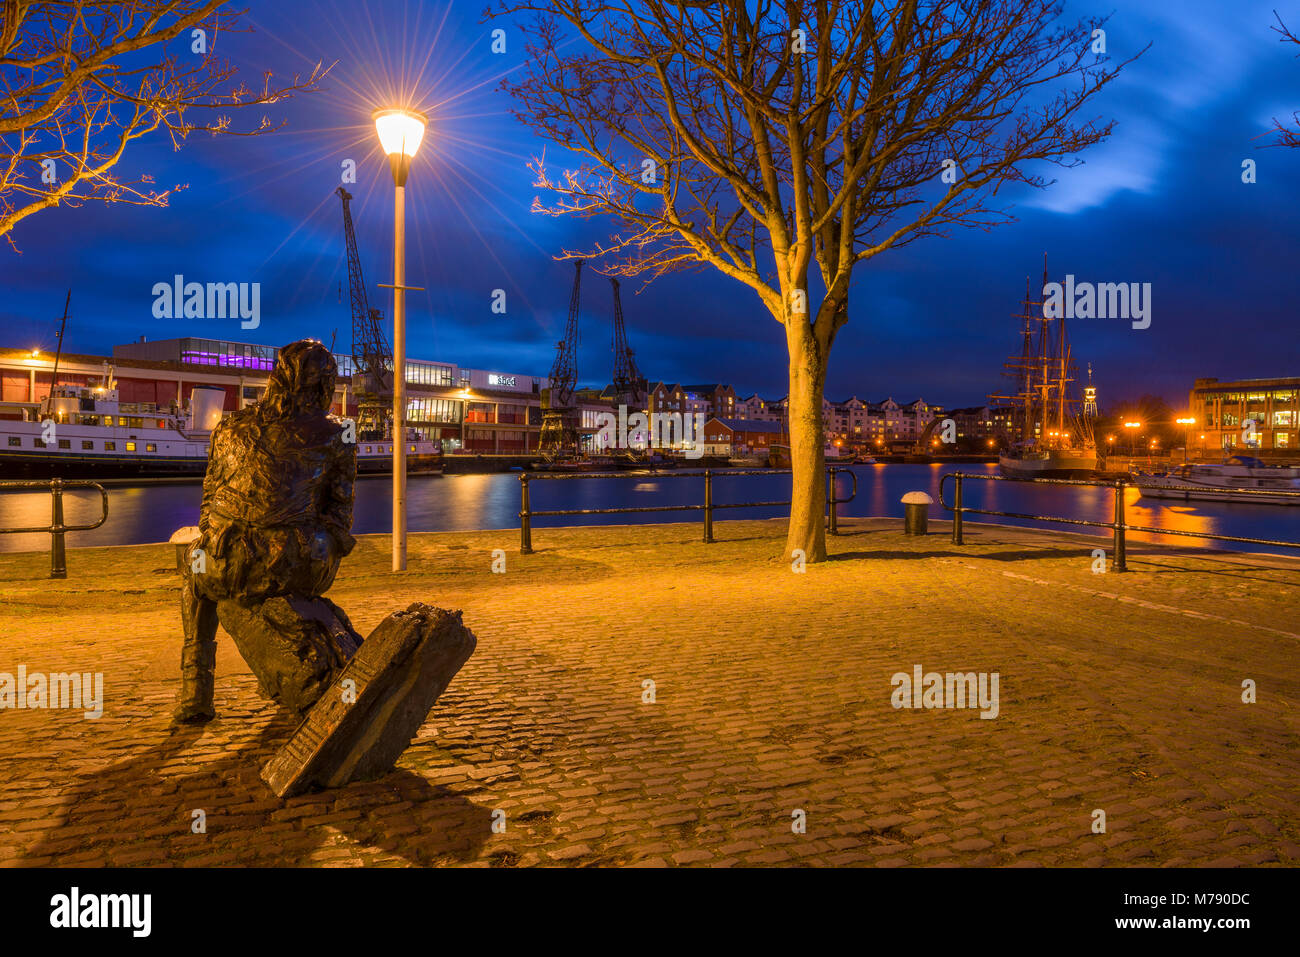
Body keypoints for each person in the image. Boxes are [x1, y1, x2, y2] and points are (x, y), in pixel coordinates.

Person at [175, 339, 361, 722]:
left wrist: (227, 536)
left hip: (230, 557)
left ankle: (196, 688)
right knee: (300, 548)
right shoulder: (341, 431)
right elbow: (340, 511)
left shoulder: (230, 424)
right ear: (325, 384)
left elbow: (211, 499)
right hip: (301, 562)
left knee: (195, 566)